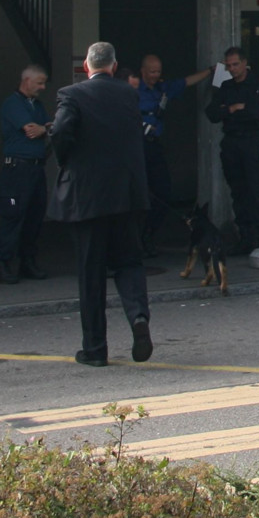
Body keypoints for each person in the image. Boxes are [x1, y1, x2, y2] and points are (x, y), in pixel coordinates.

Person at [49, 41, 153, 366]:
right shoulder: (128, 94)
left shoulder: (72, 95)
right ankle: (138, 317)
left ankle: (95, 349)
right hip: (126, 194)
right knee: (129, 261)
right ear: (113, 65)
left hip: (88, 198)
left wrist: (68, 161)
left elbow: (61, 132)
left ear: (86, 67)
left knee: (90, 272)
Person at [201, 48, 259, 255]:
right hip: (232, 143)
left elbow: (258, 114)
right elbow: (212, 113)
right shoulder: (225, 86)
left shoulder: (258, 85)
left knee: (257, 189)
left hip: (253, 142)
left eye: (235, 65)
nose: (232, 69)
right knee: (238, 191)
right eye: (228, 65)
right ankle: (246, 237)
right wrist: (231, 109)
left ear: (244, 63)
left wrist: (234, 111)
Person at [0, 64, 51, 284]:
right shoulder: (12, 104)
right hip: (17, 169)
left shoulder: (36, 104)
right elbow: (32, 130)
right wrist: (46, 128)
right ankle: (1, 263)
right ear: (26, 80)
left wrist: (45, 128)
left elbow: (46, 127)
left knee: (34, 216)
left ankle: (27, 261)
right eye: (40, 82)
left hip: (35, 167)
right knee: (12, 216)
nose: (43, 87)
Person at [133, 54, 189, 254]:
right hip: (134, 147)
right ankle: (133, 241)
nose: (155, 75)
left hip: (153, 145)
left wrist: (211, 71)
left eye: (158, 71)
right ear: (142, 71)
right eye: (152, 71)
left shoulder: (162, 89)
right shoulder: (132, 89)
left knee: (162, 192)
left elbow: (184, 83)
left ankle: (148, 235)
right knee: (135, 196)